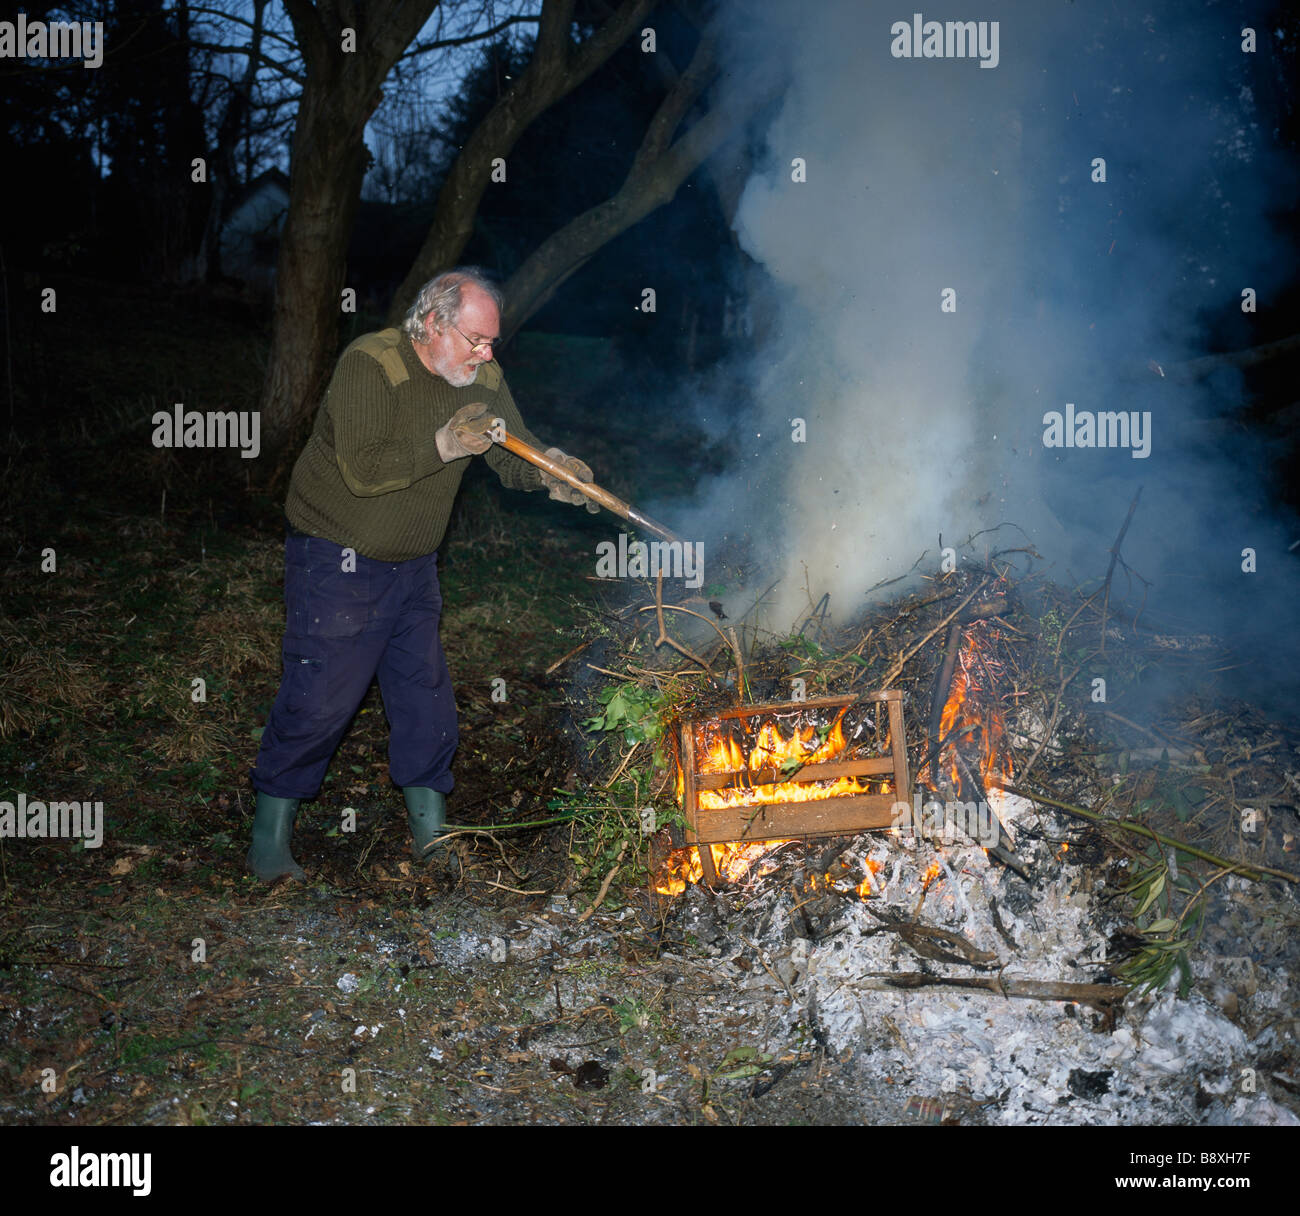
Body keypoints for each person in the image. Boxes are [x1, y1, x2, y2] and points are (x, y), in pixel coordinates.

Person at [246, 267, 597, 881]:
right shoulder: (372, 364)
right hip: (339, 557)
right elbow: (364, 469)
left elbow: (513, 452)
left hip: (415, 566)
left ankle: (431, 837)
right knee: (320, 702)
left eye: (492, 341)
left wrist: (553, 471)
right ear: (432, 323)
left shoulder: (482, 376)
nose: (487, 354)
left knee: (425, 699)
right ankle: (269, 840)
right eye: (475, 339)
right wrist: (445, 443)